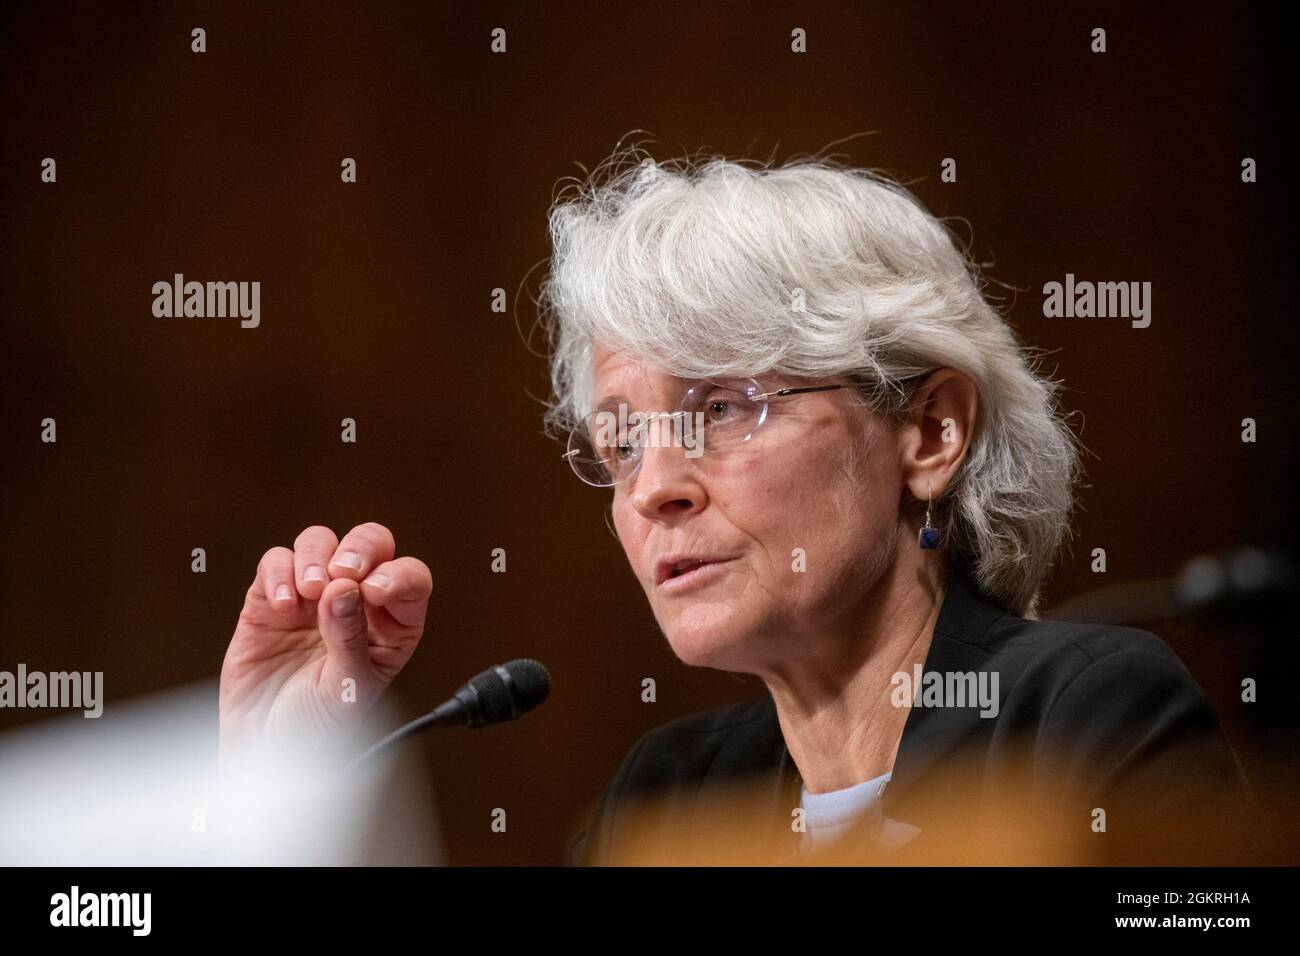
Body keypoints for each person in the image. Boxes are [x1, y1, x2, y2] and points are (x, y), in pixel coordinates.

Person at [216, 145, 1252, 866]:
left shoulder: (1082, 710)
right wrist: (285, 785)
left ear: (929, 432)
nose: (654, 486)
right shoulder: (667, 794)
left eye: (722, 407)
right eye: (620, 440)